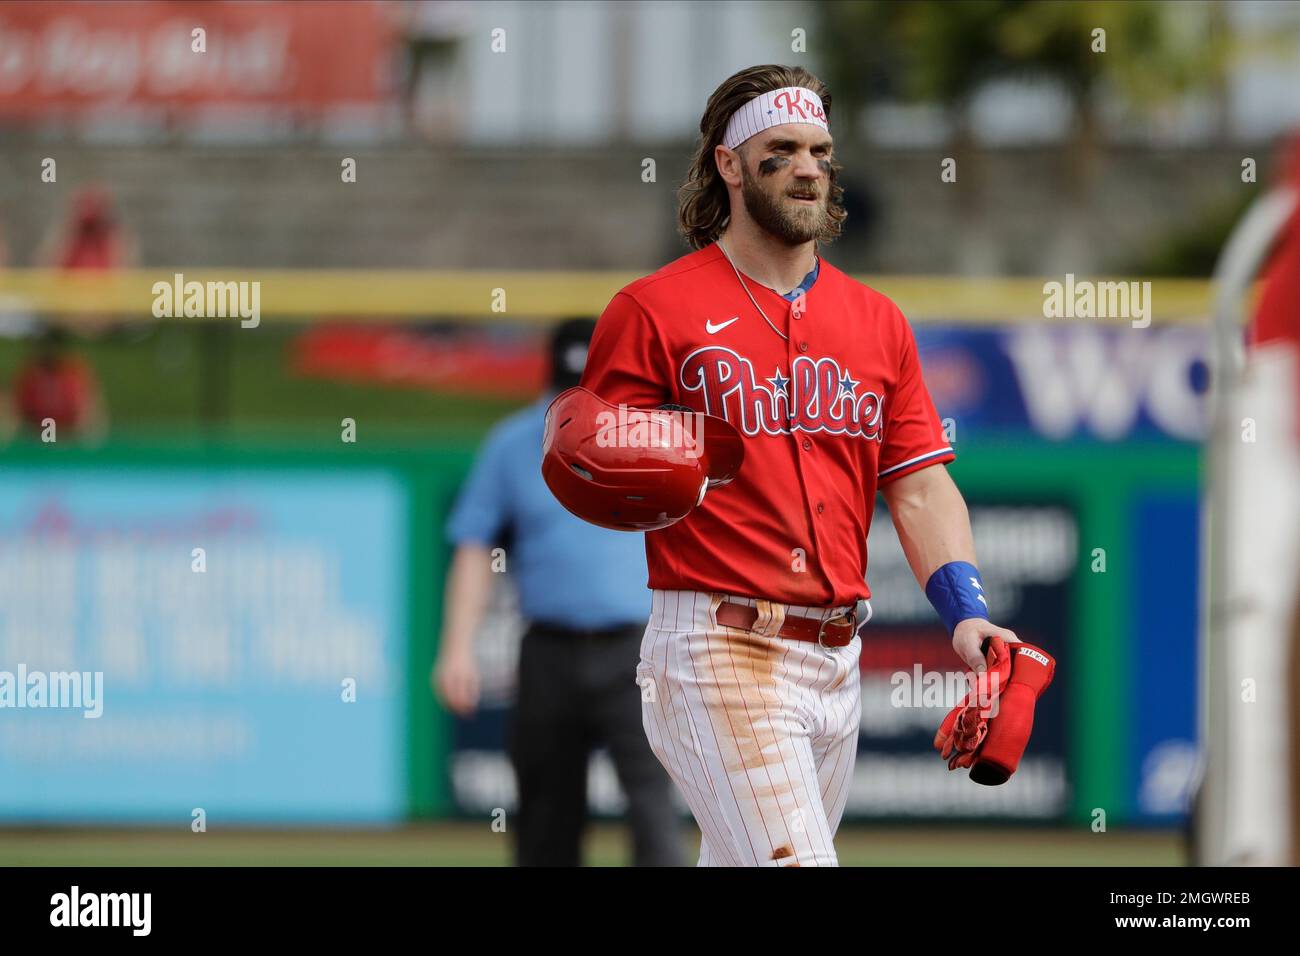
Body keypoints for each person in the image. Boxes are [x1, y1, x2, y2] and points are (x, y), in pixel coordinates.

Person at [571, 64, 1020, 867]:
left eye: (819, 150)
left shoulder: (876, 321)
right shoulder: (654, 311)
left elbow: (918, 485)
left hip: (835, 660)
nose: (809, 167)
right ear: (729, 164)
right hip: (720, 646)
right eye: (782, 149)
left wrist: (966, 610)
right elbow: (590, 453)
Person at [433, 318, 683, 867]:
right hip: (548, 650)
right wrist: (457, 647)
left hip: (640, 651)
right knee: (546, 817)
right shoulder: (513, 443)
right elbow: (474, 546)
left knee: (653, 810)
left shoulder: (651, 435)